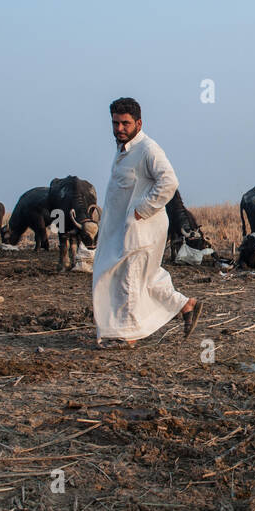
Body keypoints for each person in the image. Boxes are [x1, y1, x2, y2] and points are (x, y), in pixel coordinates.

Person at [92, 97, 201, 346]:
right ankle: (186, 305)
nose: (119, 129)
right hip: (122, 228)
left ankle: (126, 336)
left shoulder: (148, 150)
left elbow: (169, 181)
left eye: (125, 124)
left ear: (139, 123)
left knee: (128, 278)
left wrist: (142, 210)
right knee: (147, 277)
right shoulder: (123, 150)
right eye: (115, 123)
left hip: (141, 228)